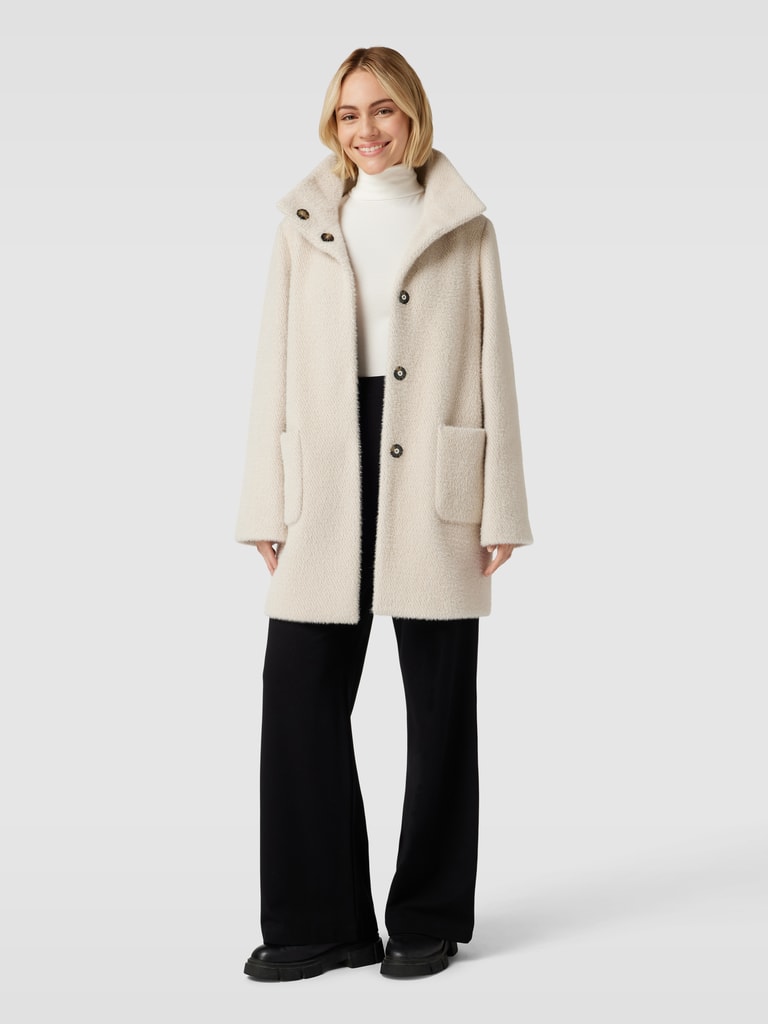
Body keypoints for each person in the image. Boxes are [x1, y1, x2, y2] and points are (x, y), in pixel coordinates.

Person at [234, 45, 533, 982]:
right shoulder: (304, 222)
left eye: (384, 111)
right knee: (299, 695)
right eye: (350, 112)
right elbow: (273, 363)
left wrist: (501, 506)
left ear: (413, 115)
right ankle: (320, 923)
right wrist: (264, 498)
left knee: (440, 705)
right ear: (334, 122)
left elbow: (494, 365)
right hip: (326, 467)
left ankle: (427, 917)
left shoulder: (464, 225)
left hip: (433, 468)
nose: (367, 130)